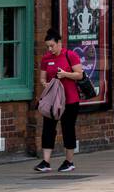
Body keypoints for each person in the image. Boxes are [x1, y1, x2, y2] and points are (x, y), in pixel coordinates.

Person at [36, 28, 84, 173]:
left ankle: (69, 161)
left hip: (70, 100)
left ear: (59, 43)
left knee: (67, 129)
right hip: (53, 100)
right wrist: (46, 84)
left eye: (52, 46)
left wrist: (65, 74)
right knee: (48, 129)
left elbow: (79, 75)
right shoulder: (46, 58)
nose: (50, 49)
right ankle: (45, 162)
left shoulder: (71, 55)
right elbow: (42, 78)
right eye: (48, 46)